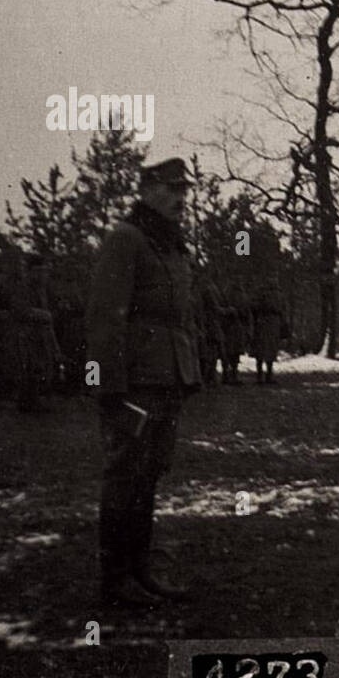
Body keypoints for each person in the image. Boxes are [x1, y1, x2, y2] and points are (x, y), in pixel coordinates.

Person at [86, 157, 200, 607]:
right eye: (173, 189)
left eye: (185, 190)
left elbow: (180, 318)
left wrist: (188, 371)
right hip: (133, 385)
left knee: (149, 475)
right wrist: (109, 389)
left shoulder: (170, 246)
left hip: (166, 380)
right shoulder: (126, 240)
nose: (182, 198)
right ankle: (115, 580)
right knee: (125, 477)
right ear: (147, 190)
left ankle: (140, 569)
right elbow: (104, 317)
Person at [11, 254, 62, 412]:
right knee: (29, 367)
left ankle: (34, 400)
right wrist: (44, 314)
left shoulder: (41, 289)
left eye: (43, 271)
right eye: (38, 271)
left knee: (41, 367)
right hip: (27, 333)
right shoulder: (22, 287)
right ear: (30, 271)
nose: (42, 275)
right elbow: (20, 310)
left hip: (41, 333)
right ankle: (27, 402)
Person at [251, 278, 286, 385]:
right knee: (268, 350)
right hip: (269, 324)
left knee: (264, 350)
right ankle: (266, 376)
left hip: (266, 324)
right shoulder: (277, 295)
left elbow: (254, 307)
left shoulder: (262, 294)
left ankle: (261, 376)